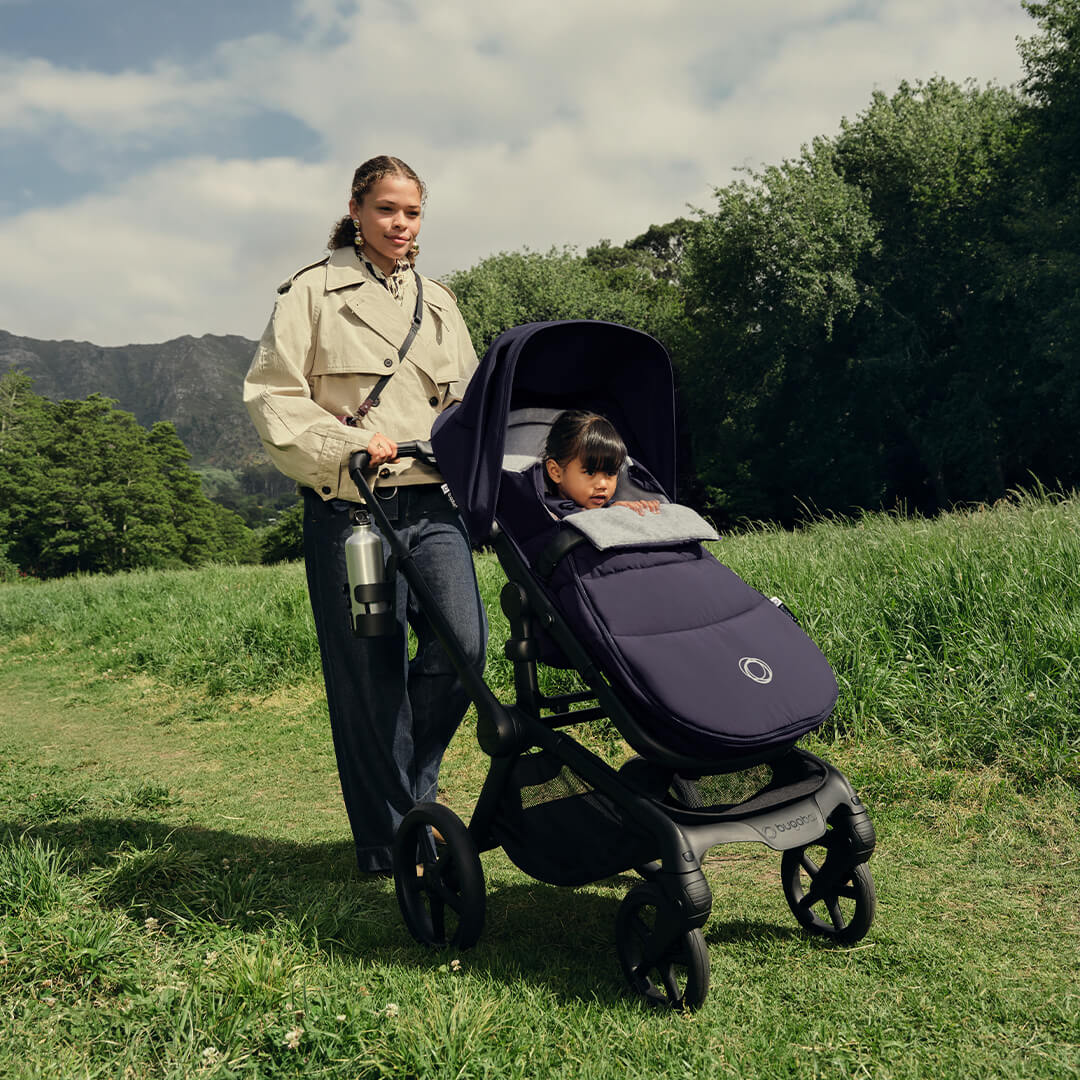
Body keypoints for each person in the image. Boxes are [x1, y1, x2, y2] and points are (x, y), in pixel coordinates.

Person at [243, 155, 487, 875]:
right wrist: (351, 442)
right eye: (386, 210)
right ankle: (391, 843)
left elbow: (466, 404)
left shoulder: (438, 302)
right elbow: (272, 397)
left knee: (464, 649)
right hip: (354, 512)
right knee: (371, 674)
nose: (400, 225)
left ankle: (413, 789)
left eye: (412, 213)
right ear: (356, 209)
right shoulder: (309, 294)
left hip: (432, 504)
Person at [541, 410, 661, 516]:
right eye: (590, 472)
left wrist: (644, 509)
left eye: (611, 473)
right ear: (556, 472)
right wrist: (608, 514)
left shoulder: (613, 505)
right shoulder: (544, 511)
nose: (603, 485)